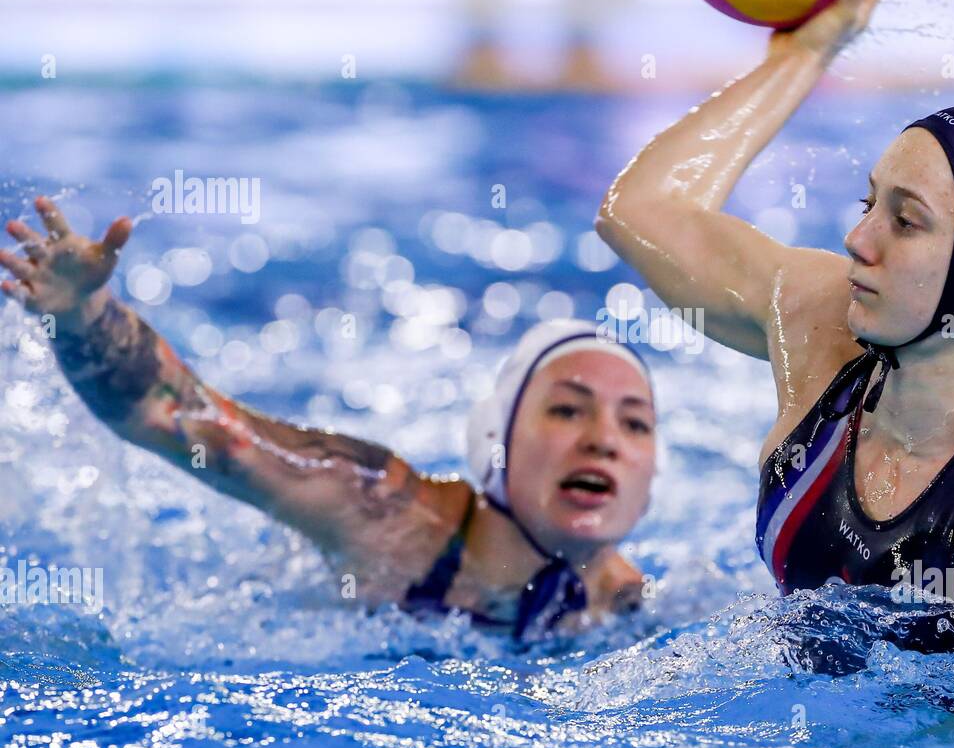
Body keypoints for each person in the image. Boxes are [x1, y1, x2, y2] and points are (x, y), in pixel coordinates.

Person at [595, 0, 954, 690]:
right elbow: (640, 211)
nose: (857, 239)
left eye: (904, 222)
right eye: (866, 202)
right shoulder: (821, 319)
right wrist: (806, 54)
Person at [1, 198, 652, 642]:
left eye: (635, 424)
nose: (604, 440)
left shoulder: (627, 609)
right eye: (568, 409)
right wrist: (83, 315)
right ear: (494, 439)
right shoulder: (381, 509)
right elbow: (170, 413)